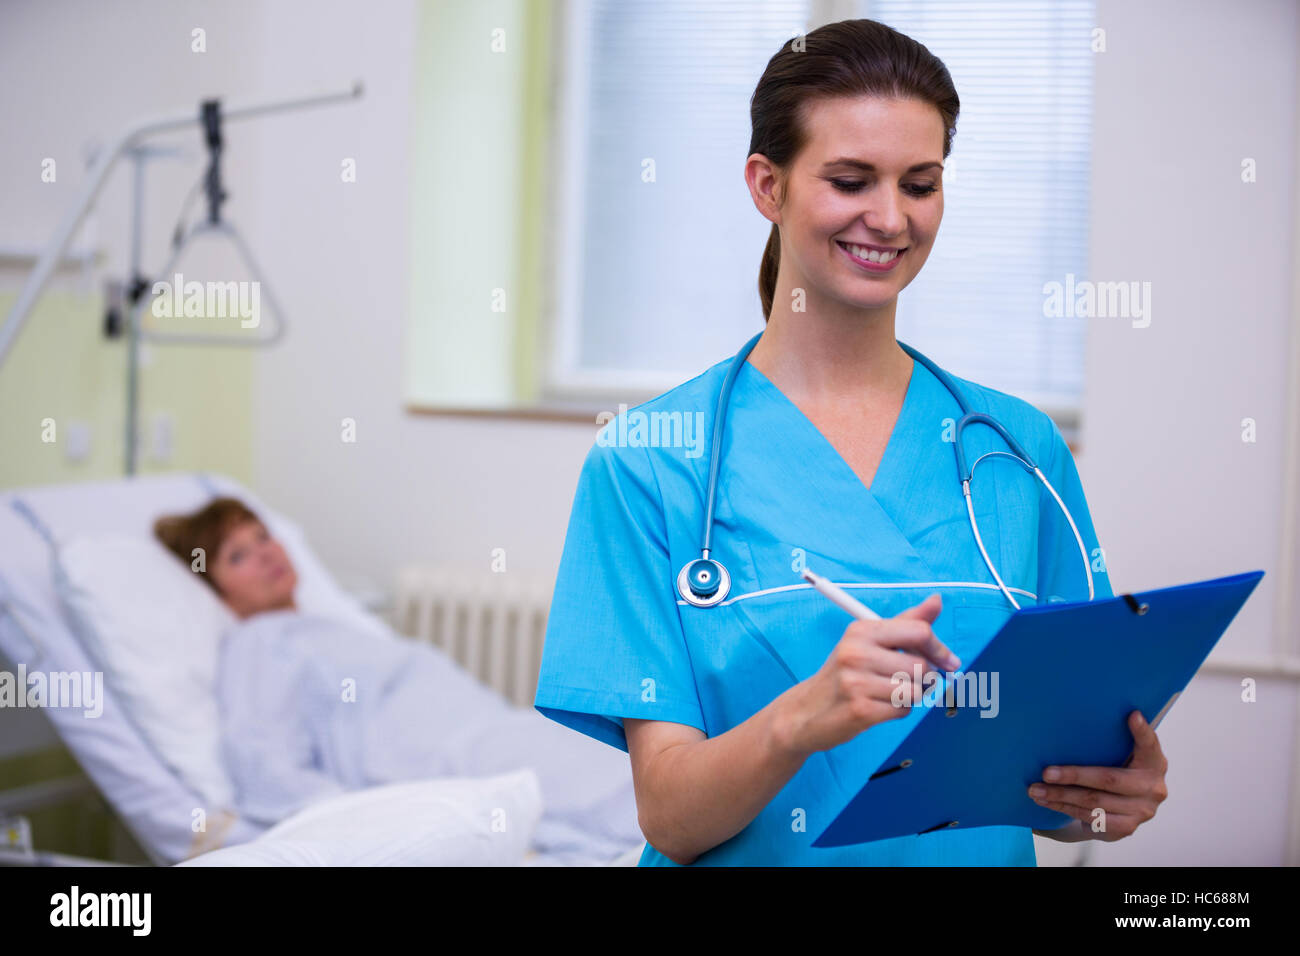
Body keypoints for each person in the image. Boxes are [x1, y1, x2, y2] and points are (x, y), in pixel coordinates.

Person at [533, 18, 1168, 866]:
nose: (890, 217)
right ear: (768, 185)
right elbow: (672, 820)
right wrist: (800, 718)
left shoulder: (1019, 451)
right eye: (849, 179)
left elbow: (1050, 789)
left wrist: (1101, 802)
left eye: (920, 182)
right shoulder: (651, 460)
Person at [154, 497, 643, 862]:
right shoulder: (257, 646)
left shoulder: (328, 626)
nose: (264, 554)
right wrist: (374, 819)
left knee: (627, 759)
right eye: (237, 556)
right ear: (215, 587)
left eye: (262, 536)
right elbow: (265, 762)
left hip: (495, 730)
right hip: (453, 759)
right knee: (629, 787)